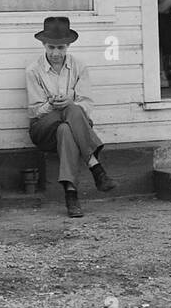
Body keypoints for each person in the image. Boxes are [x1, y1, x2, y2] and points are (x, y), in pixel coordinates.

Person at [25, 16, 115, 218]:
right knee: (70, 111)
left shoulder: (79, 67)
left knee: (67, 126)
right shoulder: (33, 71)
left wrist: (70, 103)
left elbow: (87, 104)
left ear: (68, 46)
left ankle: (71, 195)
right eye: (51, 48)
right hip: (43, 128)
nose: (56, 53)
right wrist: (52, 104)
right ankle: (94, 165)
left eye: (61, 48)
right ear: (43, 45)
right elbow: (34, 112)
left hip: (72, 126)